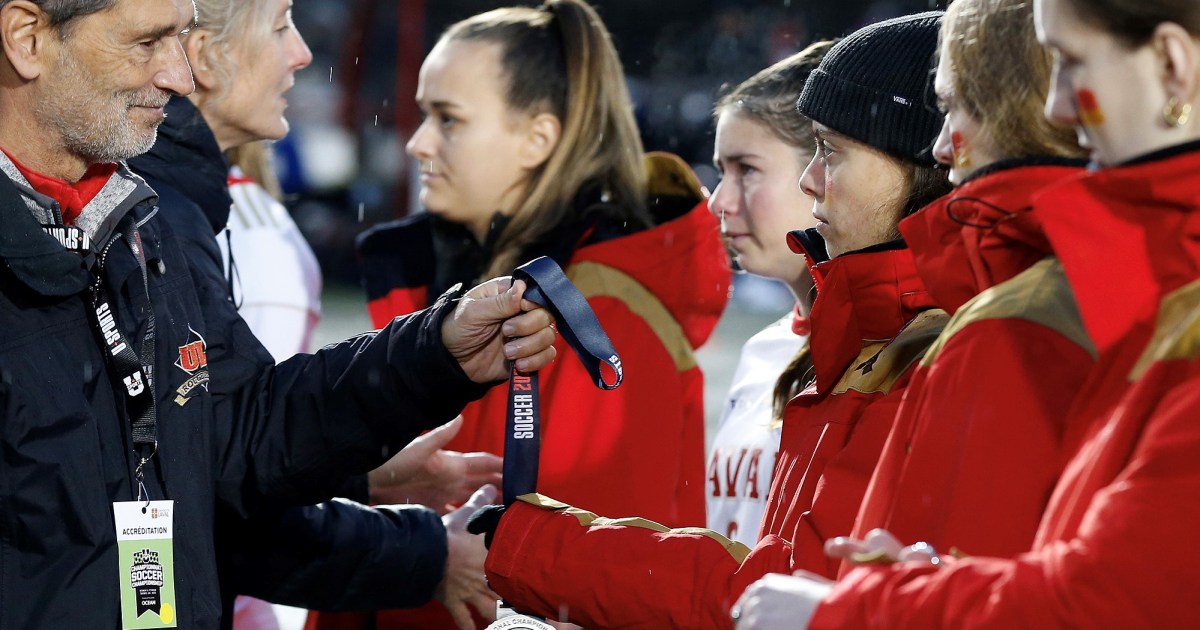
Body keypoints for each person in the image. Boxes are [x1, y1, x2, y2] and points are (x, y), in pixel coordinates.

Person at [0, 1, 555, 629]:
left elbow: (229, 439)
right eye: (148, 42)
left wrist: (436, 350)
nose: (179, 76)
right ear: (27, 38)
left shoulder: (131, 222)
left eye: (180, 37)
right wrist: (419, 549)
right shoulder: (167, 218)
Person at [468, 13, 952, 628]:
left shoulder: (935, 355)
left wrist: (531, 550)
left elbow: (776, 592)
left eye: (828, 151)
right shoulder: (811, 351)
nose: (719, 200)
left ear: (923, 160)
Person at [733, 0, 1200, 626]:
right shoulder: (1113, 292)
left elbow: (1109, 598)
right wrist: (930, 588)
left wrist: (870, 611)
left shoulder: (1026, 318)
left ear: (1172, 63)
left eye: (1071, 61)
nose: (1059, 107)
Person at [337, 1, 731, 626]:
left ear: (537, 139)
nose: (417, 142)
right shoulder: (460, 285)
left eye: (448, 118)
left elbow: (595, 585)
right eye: (423, 115)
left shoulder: (600, 319)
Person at [125, 1, 514, 628]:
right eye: (280, 25)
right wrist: (425, 552)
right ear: (205, 58)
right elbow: (214, 487)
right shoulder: (171, 221)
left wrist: (367, 478)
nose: (302, 53)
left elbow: (209, 452)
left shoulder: (173, 208)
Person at [825, 0, 1095, 569]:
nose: (941, 146)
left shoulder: (1018, 325)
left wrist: (867, 601)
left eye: (952, 107)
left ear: (1014, 111)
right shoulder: (1051, 297)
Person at [706, 40, 835, 547]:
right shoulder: (761, 351)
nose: (718, 201)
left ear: (822, 170)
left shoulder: (883, 359)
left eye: (747, 169)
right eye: (721, 171)